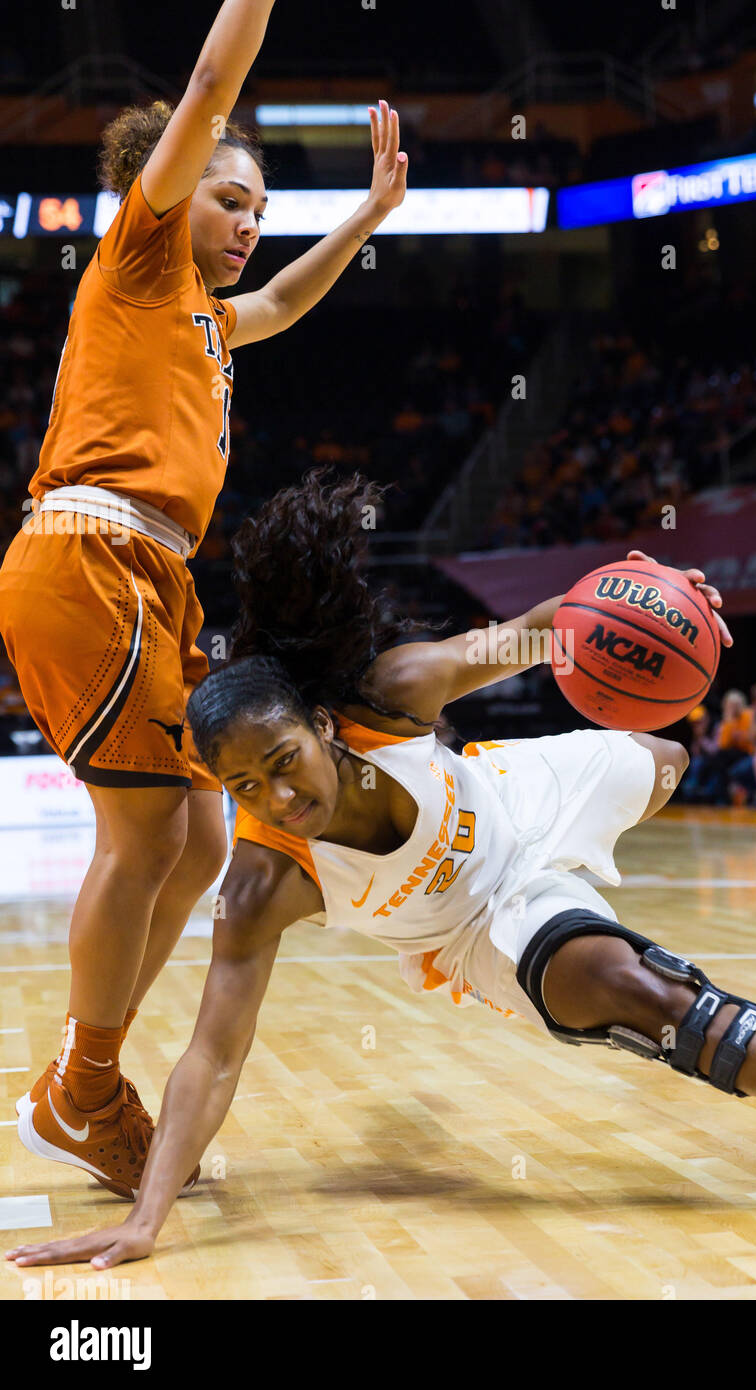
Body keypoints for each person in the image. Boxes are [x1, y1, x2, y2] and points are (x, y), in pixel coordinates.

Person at [6, 473, 756, 1271]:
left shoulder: (392, 690)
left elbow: (545, 635)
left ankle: (583, 896)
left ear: (320, 725)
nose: (276, 797)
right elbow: (211, 1055)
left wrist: (641, 586)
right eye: (245, 788)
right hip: (467, 928)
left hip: (517, 798)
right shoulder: (266, 884)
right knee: (627, 989)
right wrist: (147, 1217)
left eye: (283, 764)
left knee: (667, 758)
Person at [0, 0, 409, 1199]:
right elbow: (214, 78)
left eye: (259, 211)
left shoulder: (206, 322)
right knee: (142, 839)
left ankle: (89, 1079)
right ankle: (82, 1091)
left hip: (150, 577)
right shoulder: (137, 256)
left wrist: (369, 215)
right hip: (93, 557)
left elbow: (279, 305)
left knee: (200, 833)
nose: (247, 224)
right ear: (170, 190)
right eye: (233, 200)